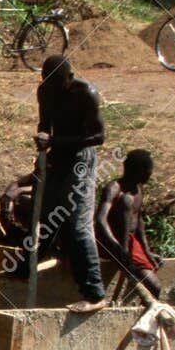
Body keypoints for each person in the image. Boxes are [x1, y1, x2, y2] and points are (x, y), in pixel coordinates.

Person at [14, 54, 108, 313]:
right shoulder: (45, 91)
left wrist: (55, 143)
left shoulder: (86, 93)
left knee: (78, 224)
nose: (53, 87)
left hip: (80, 158)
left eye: (58, 83)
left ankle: (95, 292)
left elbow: (98, 136)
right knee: (44, 214)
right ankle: (23, 268)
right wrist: (42, 159)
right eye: (49, 82)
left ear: (69, 77)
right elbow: (45, 126)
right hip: (59, 156)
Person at [95, 149, 162, 297]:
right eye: (147, 171)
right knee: (154, 286)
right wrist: (118, 248)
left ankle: (145, 310)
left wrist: (146, 250)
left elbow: (139, 221)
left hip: (130, 243)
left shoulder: (138, 189)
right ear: (137, 171)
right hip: (110, 243)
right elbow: (100, 221)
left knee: (155, 287)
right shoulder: (114, 188)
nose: (150, 174)